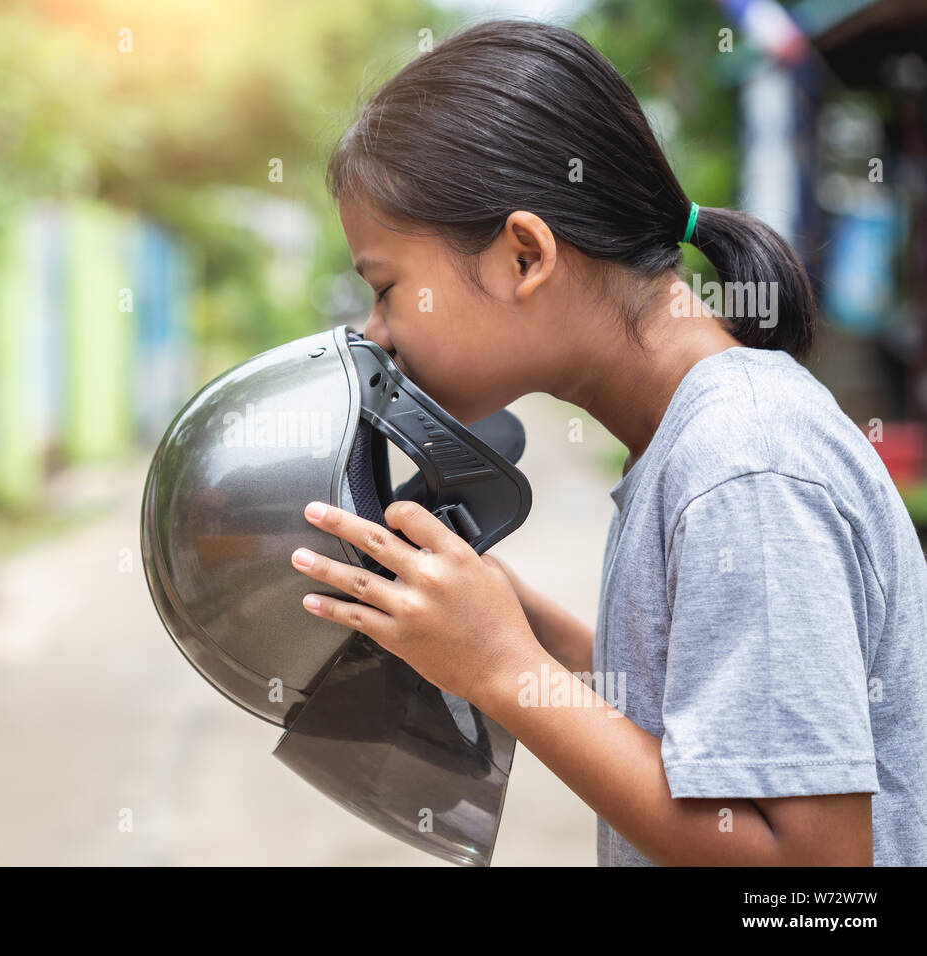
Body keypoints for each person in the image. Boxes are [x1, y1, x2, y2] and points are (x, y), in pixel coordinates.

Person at [289, 18, 927, 866]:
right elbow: (692, 719)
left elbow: (813, 878)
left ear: (524, 256)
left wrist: (503, 670)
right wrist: (518, 624)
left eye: (388, 288)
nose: (378, 334)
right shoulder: (690, 437)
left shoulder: (744, 460)